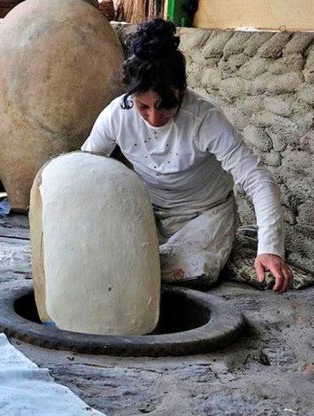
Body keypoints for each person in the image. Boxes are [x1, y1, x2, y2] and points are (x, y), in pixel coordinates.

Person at [82, 18, 293, 292]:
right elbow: (84, 167)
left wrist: (270, 249)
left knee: (186, 273)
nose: (154, 117)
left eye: (164, 105)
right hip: (147, 211)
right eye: (143, 106)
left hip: (205, 215)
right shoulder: (116, 115)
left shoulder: (205, 118)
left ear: (180, 91)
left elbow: (257, 180)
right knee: (107, 257)